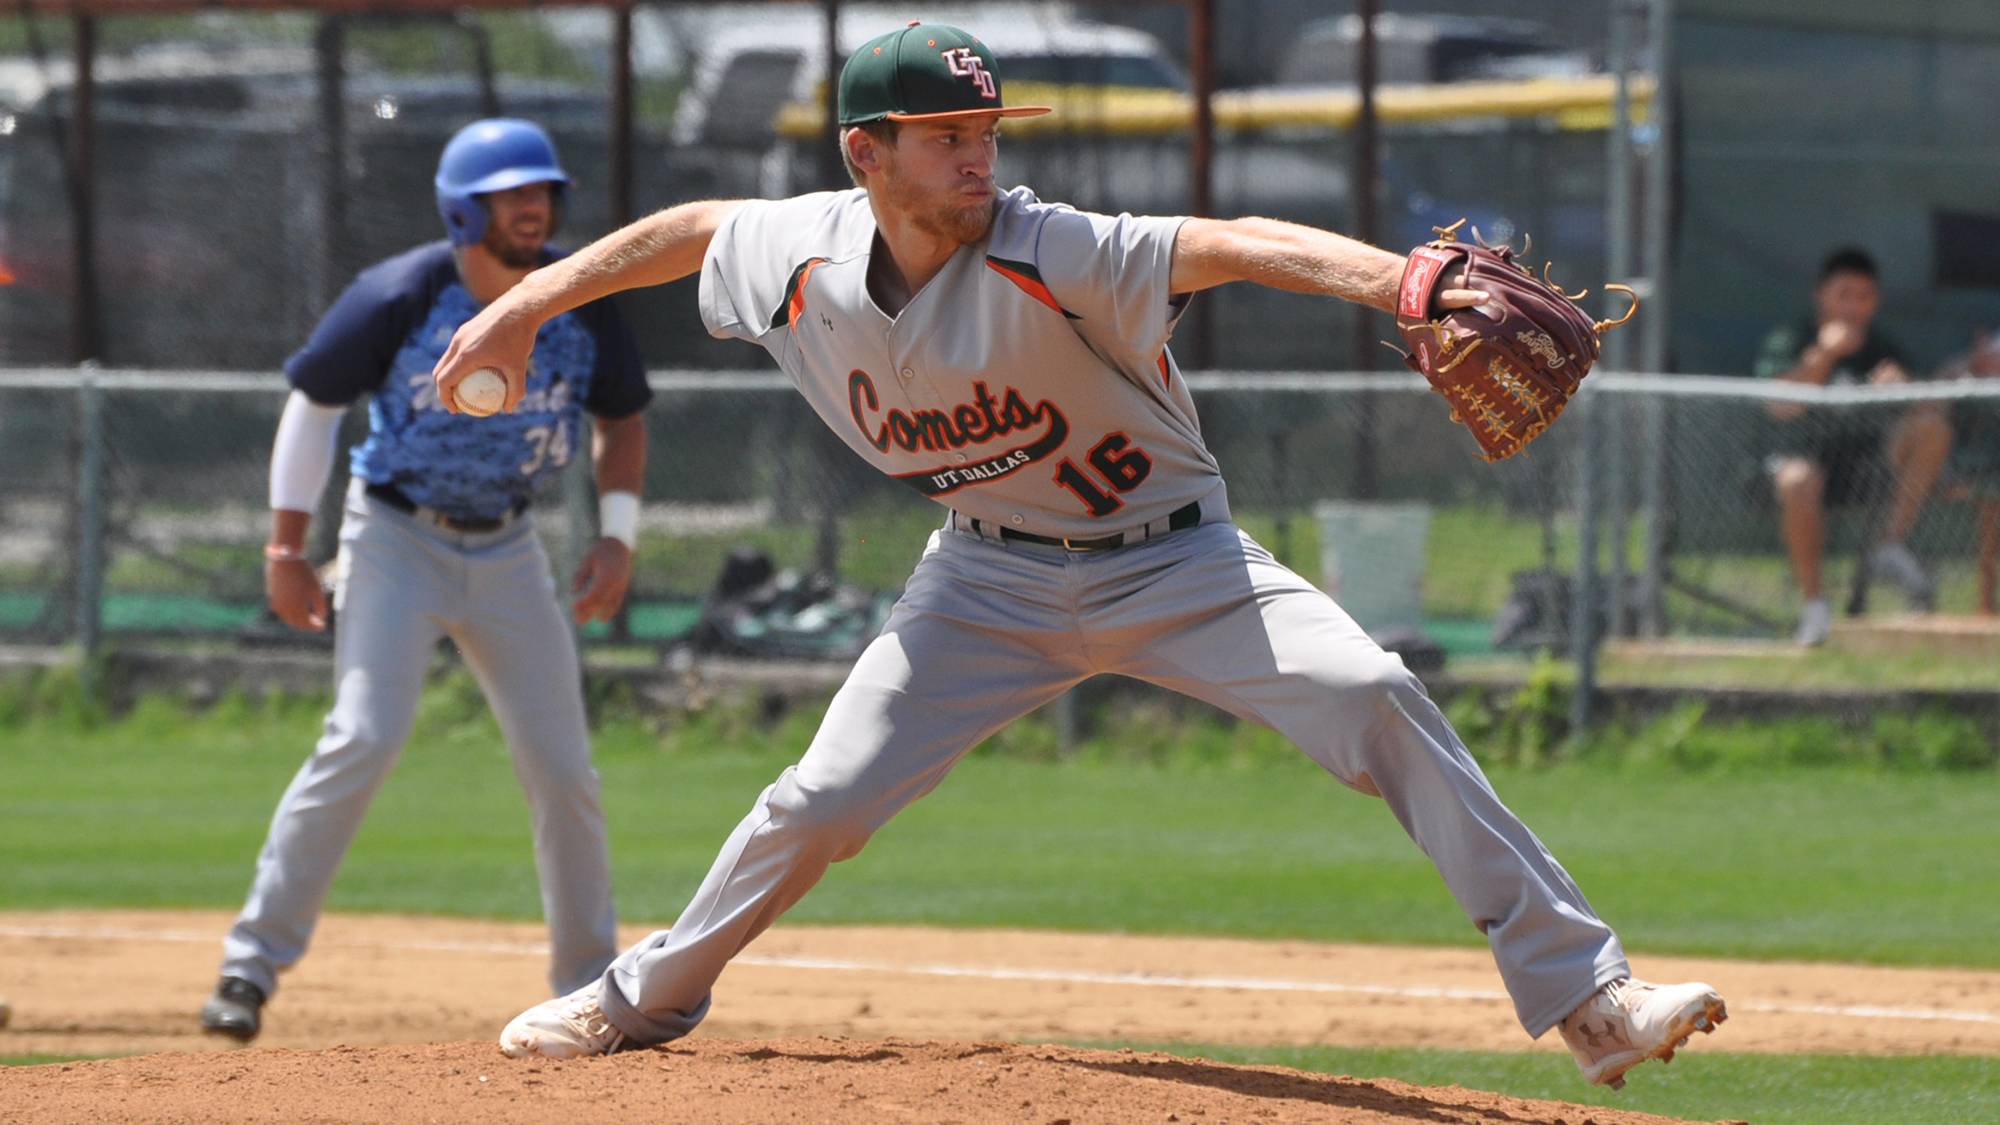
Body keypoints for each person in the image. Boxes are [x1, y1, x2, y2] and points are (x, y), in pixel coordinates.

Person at [434, 26, 1725, 1090]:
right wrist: (520, 306)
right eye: (946, 136)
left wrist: (1403, 283)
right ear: (865, 154)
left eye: (986, 132)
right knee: (820, 803)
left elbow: (1229, 242)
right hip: (982, 581)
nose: (977, 157)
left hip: (1177, 563)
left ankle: (1590, 998)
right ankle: (640, 998)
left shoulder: (1049, 249)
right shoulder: (803, 254)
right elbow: (688, 228)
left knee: (1373, 692)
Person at [197, 119, 652, 1042]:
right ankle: (250, 964)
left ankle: (588, 985)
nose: (532, 206)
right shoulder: (400, 293)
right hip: (395, 538)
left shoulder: (579, 297)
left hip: (511, 545)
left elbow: (624, 415)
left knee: (564, 766)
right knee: (363, 736)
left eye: (541, 190)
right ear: (461, 211)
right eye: (509, 193)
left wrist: (617, 536)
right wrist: (285, 549)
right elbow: (314, 403)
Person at [1756, 248, 1950, 645]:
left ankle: (1888, 546)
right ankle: (1815, 606)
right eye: (1844, 294)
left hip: (1864, 465)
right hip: (1800, 461)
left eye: (1864, 296)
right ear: (1821, 295)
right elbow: (1779, 407)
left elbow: (1933, 409)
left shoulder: (1882, 344)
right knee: (1798, 478)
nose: (1854, 306)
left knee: (1931, 429)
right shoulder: (1792, 337)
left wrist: (1906, 390)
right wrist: (1825, 354)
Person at [1937, 330, 2000, 614]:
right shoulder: (1991, 348)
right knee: (1990, 506)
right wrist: (1976, 363)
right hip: (1985, 461)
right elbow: (1944, 377)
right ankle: (1986, 602)